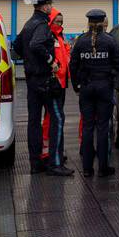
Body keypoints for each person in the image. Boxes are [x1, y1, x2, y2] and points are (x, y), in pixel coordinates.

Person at [14, 0, 72, 176]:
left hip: (31, 80)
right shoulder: (42, 25)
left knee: (34, 121)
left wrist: (30, 61)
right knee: (57, 118)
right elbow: (36, 44)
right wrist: (50, 61)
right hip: (46, 81)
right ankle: (55, 163)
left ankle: (35, 163)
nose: (51, 7)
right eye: (49, 4)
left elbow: (16, 47)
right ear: (45, 7)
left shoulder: (28, 24)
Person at [70, 9, 119, 178]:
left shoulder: (80, 41)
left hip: (86, 88)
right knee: (102, 128)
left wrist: (76, 86)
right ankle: (103, 167)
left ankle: (87, 168)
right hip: (104, 87)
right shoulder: (110, 41)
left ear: (89, 23)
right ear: (103, 23)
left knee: (88, 127)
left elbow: (73, 65)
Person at [41, 9, 71, 166]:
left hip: (62, 84)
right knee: (53, 118)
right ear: (50, 22)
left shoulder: (60, 37)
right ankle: (49, 154)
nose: (59, 24)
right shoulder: (48, 37)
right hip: (54, 84)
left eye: (61, 22)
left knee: (54, 118)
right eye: (56, 21)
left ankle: (55, 150)